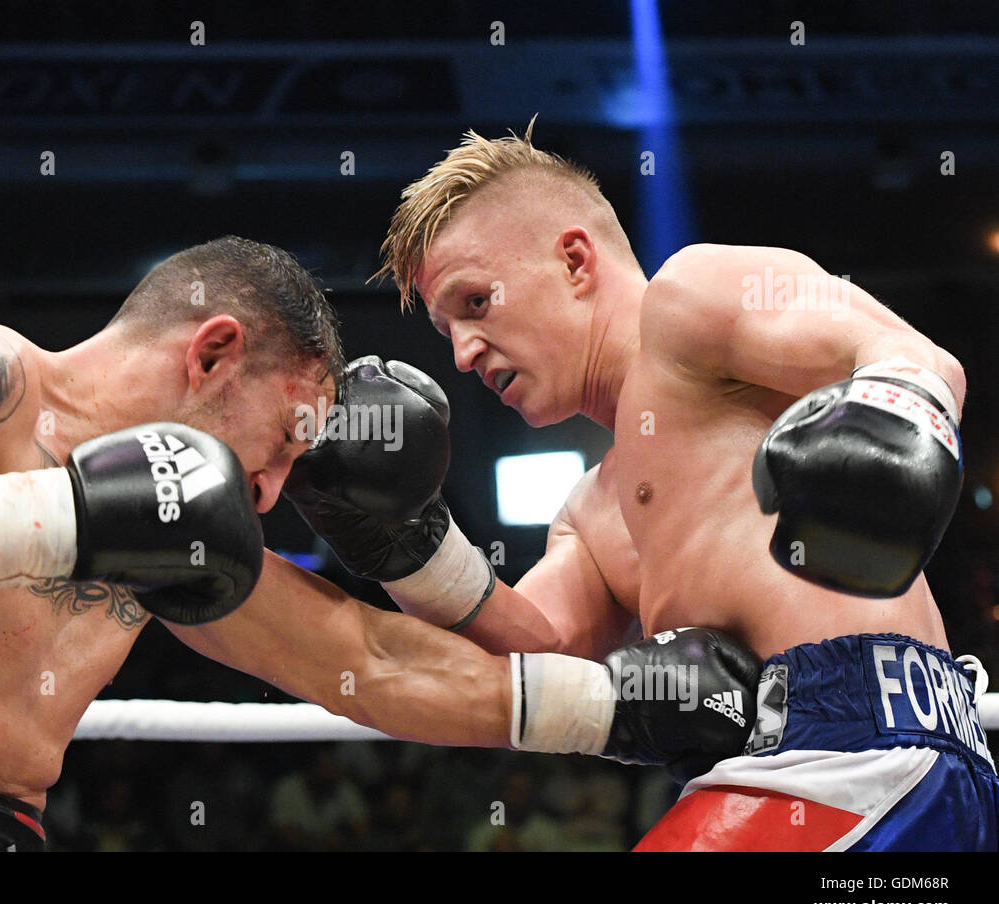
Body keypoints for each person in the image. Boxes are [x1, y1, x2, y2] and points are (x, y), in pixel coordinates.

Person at [0, 235, 758, 851]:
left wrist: (618, 707)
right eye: (282, 443)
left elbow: (374, 662)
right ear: (214, 352)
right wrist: (66, 514)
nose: (266, 495)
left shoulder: (177, 531)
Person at [287, 123, 998, 850]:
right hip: (858, 772)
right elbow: (534, 653)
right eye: (447, 333)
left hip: (857, 758)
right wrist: (409, 546)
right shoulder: (593, 509)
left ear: (573, 260)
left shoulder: (688, 302)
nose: (465, 353)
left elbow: (909, 354)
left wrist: (898, 416)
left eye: (475, 304)